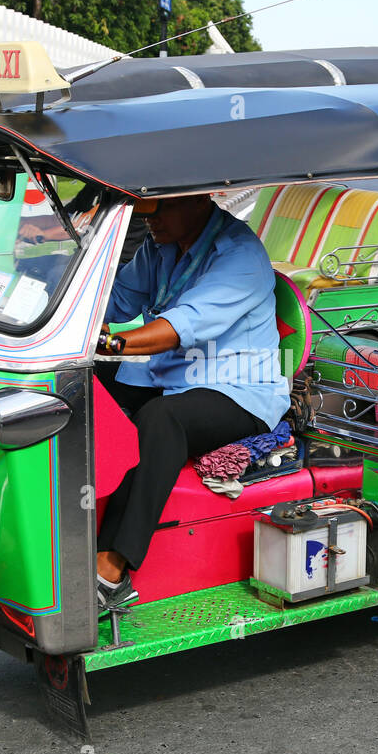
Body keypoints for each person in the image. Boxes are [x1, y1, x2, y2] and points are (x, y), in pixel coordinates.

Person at [95, 194, 289, 609]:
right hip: (171, 375)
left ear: (199, 200)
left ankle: (111, 567)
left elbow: (178, 329)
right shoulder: (160, 246)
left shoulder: (240, 256)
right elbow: (117, 301)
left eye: (160, 207)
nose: (149, 218)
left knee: (163, 419)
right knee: (78, 384)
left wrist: (109, 342)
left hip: (238, 391)